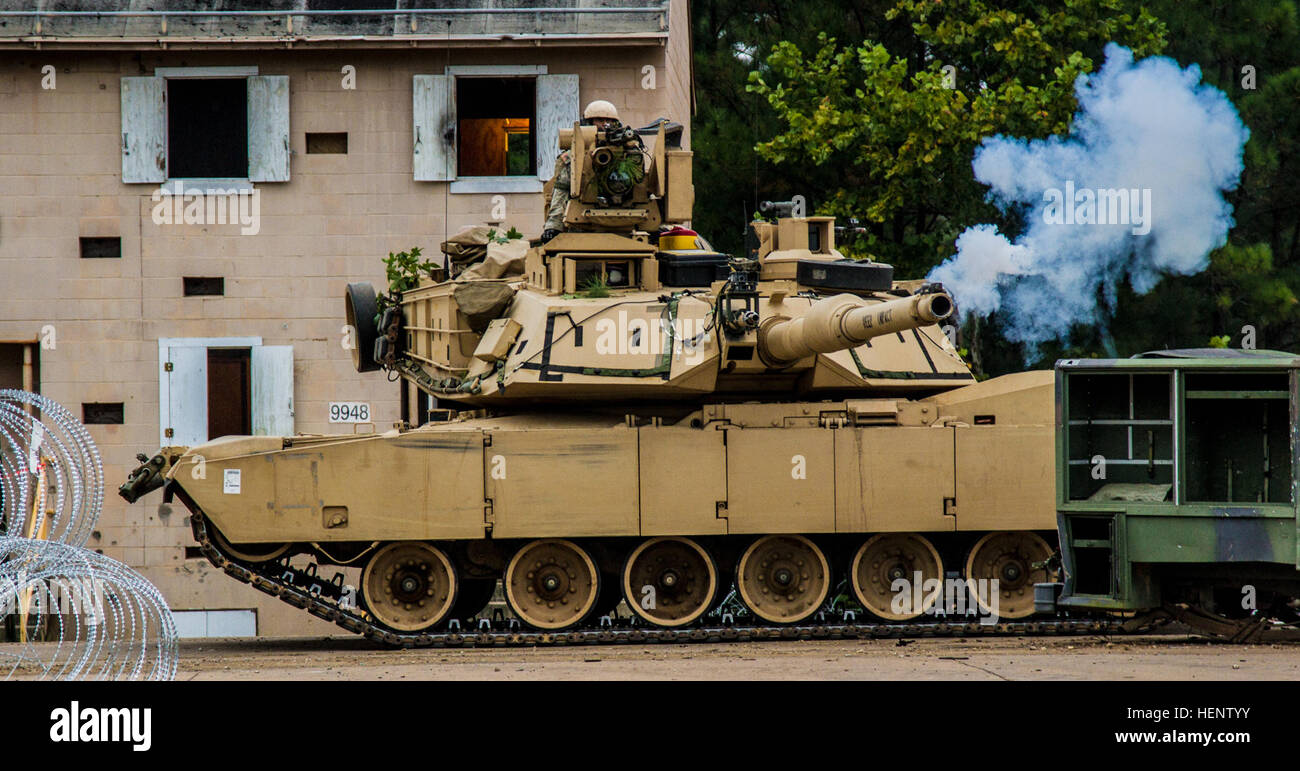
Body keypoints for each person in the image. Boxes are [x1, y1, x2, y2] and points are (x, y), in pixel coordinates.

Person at [540, 100, 623, 243]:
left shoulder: (627, 155)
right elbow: (561, 191)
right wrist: (553, 227)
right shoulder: (571, 158)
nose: (605, 125)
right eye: (600, 120)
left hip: (620, 221)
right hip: (582, 221)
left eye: (609, 120)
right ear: (588, 123)